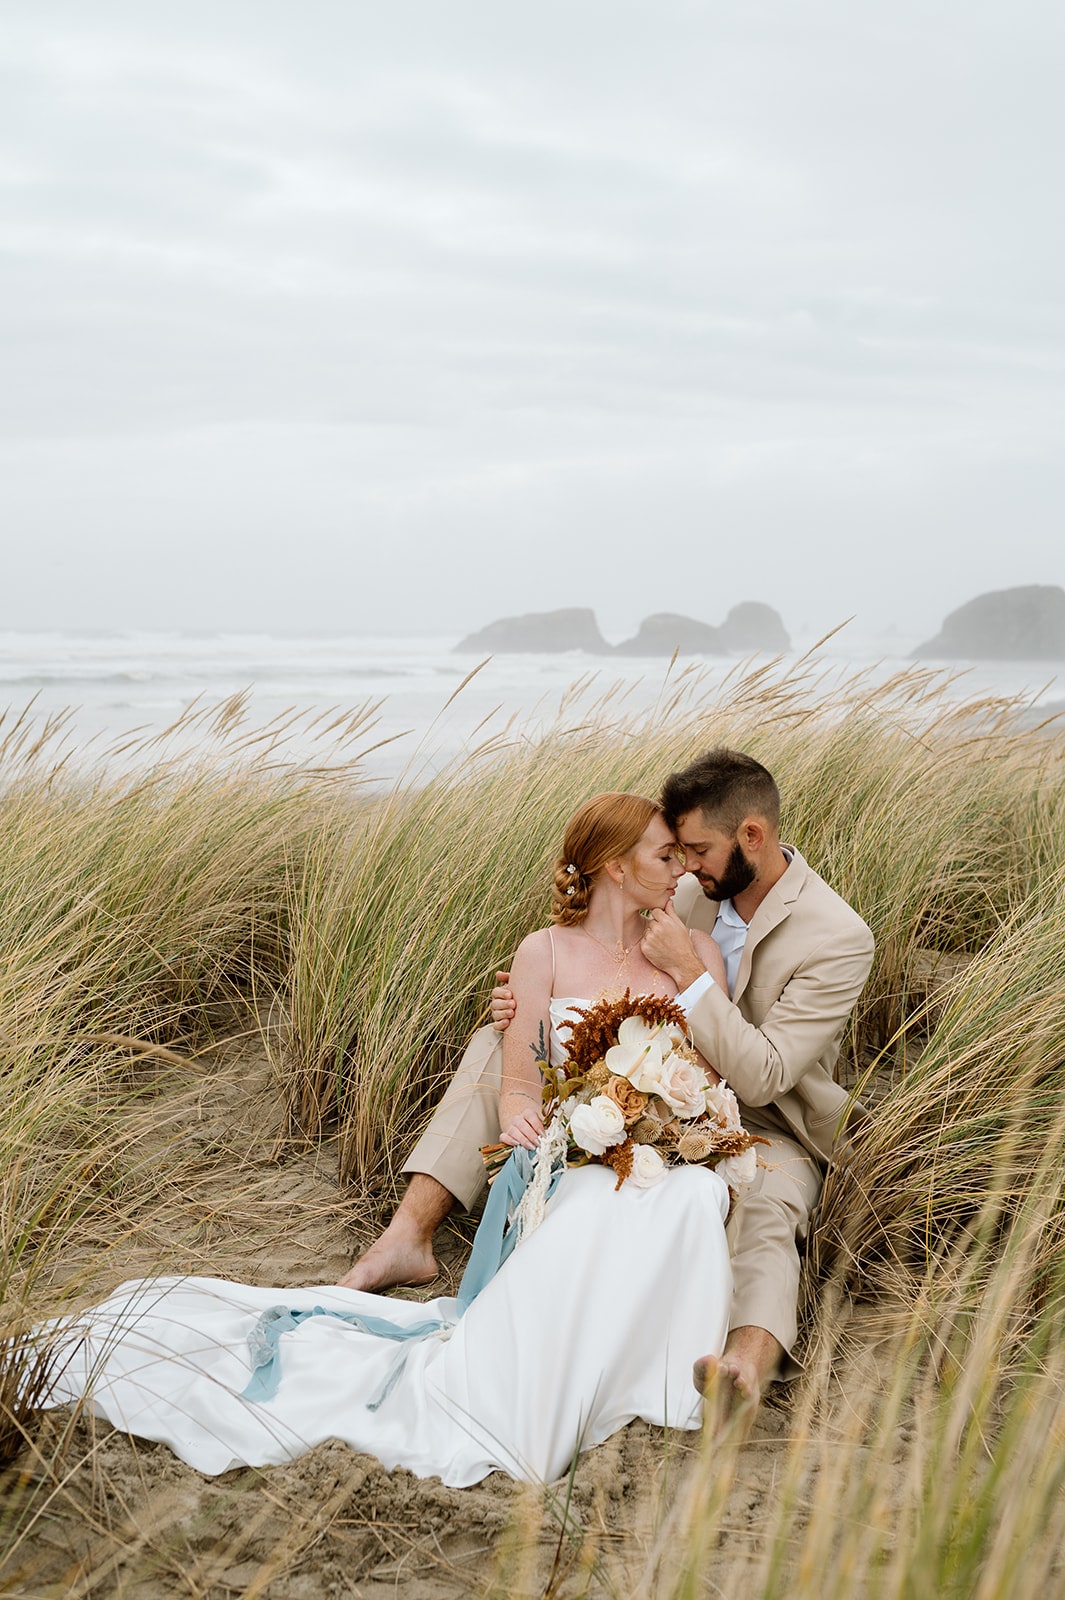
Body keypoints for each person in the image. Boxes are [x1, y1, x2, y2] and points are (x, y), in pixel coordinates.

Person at [41, 793, 735, 1487]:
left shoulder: (690, 950)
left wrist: (669, 1114)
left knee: (696, 1195)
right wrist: (527, 1121)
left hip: (661, 1151)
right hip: (570, 1151)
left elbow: (709, 1069)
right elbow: (520, 1083)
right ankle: (553, 1377)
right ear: (614, 866)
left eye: (680, 854)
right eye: (663, 854)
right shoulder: (543, 952)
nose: (677, 868)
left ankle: (662, 1377)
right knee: (590, 1198)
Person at [342, 749, 875, 1420]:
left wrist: (690, 975)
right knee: (494, 1046)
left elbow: (765, 1072)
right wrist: (521, 1009)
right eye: (673, 852)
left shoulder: (837, 935)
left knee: (768, 1206)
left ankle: (742, 1363)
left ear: (751, 837)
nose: (684, 866)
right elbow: (591, 963)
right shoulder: (680, 888)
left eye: (697, 850)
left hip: (769, 1114)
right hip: (632, 1085)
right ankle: (408, 1235)